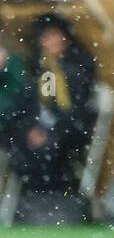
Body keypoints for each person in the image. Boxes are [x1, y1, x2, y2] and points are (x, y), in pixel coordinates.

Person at [10, 13, 96, 196]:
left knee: (49, 147)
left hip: (69, 126)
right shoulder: (40, 65)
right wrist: (30, 127)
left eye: (55, 35)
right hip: (40, 125)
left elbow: (77, 108)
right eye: (45, 37)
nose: (51, 42)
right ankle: (32, 200)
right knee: (20, 143)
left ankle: (52, 199)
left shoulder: (78, 64)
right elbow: (31, 102)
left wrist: (52, 129)